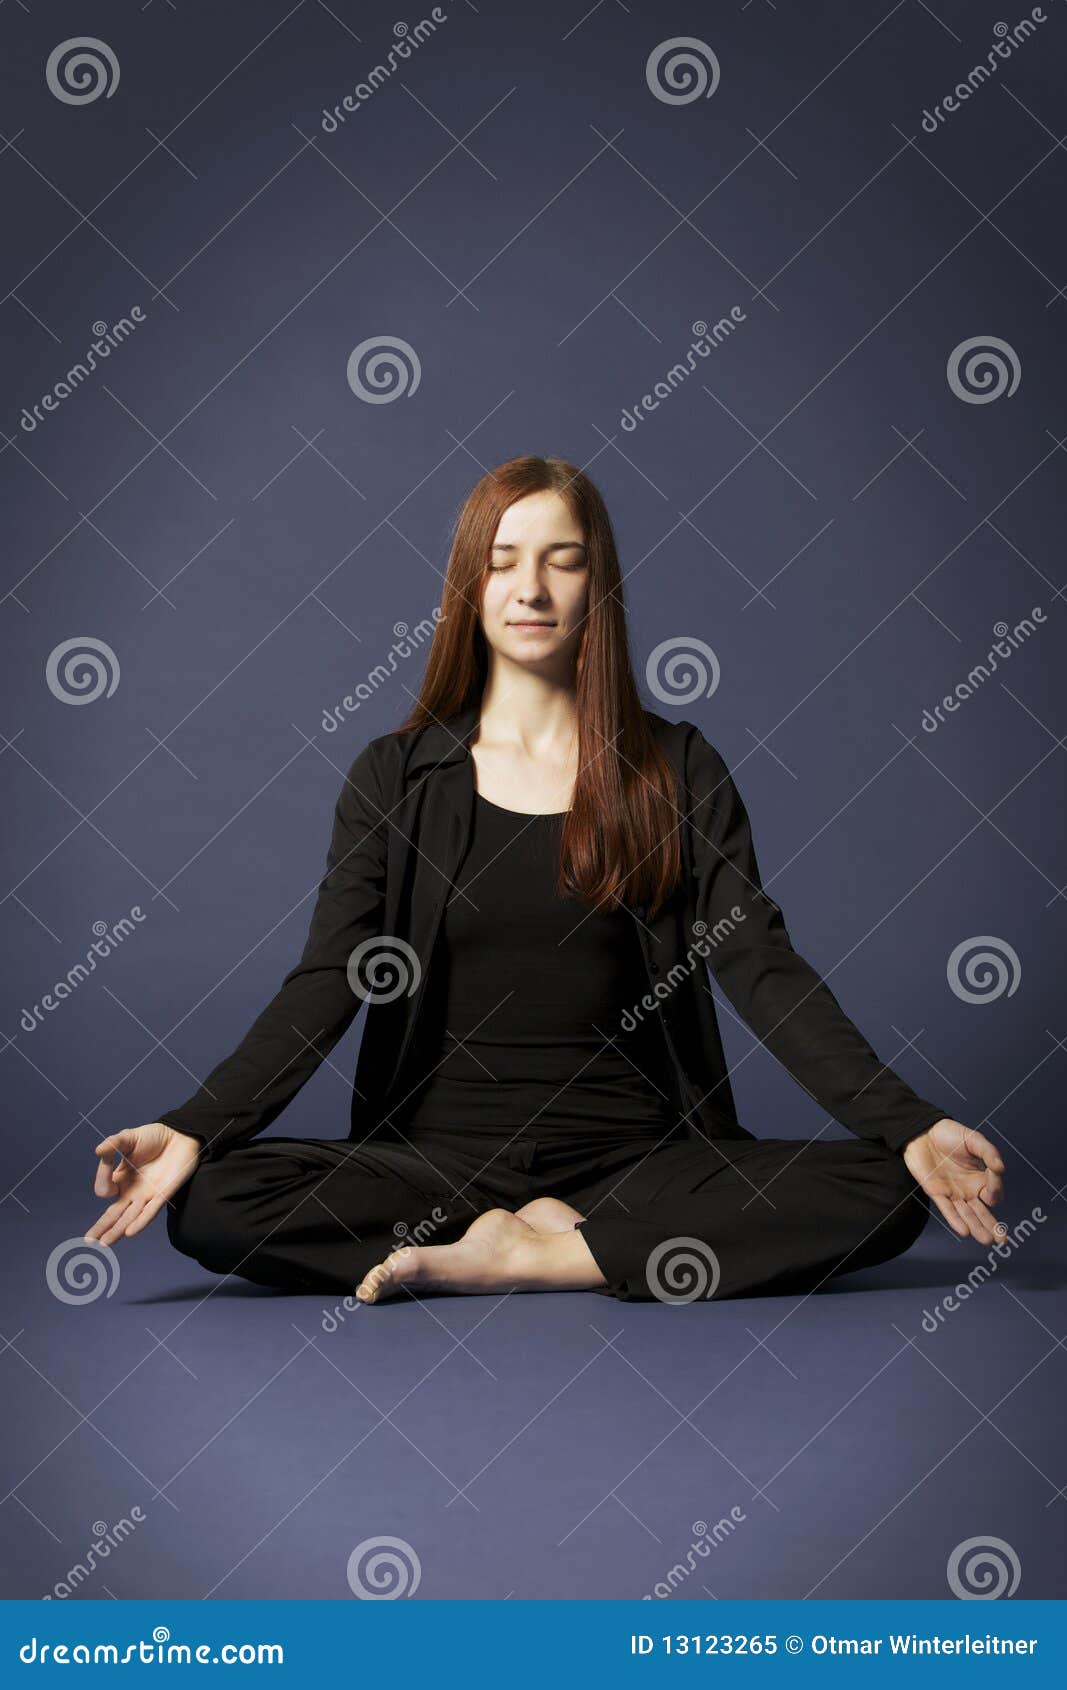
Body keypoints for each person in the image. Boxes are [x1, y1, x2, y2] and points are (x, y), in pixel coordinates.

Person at [84, 455, 1007, 1305]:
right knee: (212, 1201)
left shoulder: (675, 767)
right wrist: (197, 1124)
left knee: (884, 1187)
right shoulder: (395, 776)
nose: (529, 588)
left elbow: (759, 967)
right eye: (502, 560)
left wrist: (908, 1122)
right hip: (435, 1162)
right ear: (468, 585)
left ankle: (540, 1254)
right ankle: (539, 1241)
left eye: (561, 561)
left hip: (637, 1158)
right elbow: (329, 979)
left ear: (594, 585)